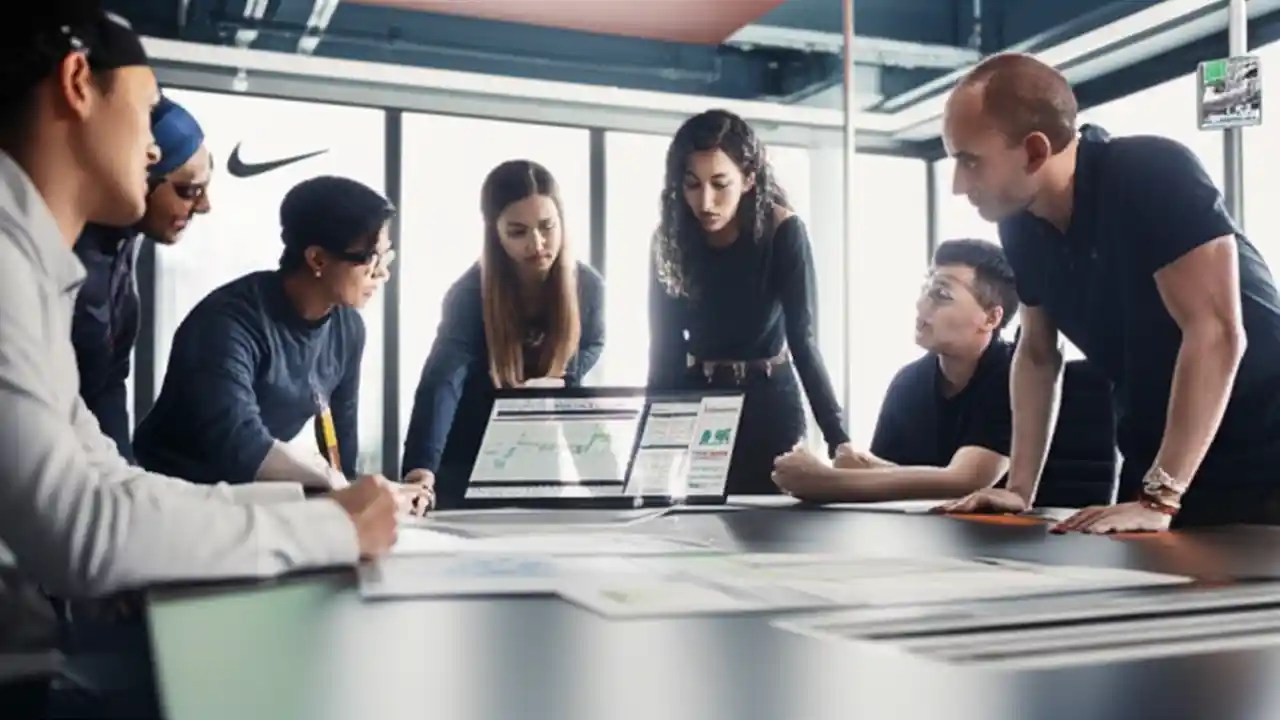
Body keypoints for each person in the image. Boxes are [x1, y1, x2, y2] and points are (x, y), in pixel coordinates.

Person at [0, 4, 401, 709]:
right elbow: (81, 526)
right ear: (76, 83)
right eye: (147, 109)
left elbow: (103, 474)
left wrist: (328, 506)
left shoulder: (38, 271)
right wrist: (329, 524)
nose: (153, 150)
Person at [936, 52, 1280, 532]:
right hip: (1157, 462)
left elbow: (1217, 333)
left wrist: (1161, 498)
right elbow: (1037, 354)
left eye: (970, 161)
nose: (958, 185)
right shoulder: (1021, 226)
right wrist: (1019, 488)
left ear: (1035, 152)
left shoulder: (1152, 173)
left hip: (1264, 457)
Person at [132, 175, 431, 509]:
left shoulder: (348, 329)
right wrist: (339, 485)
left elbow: (340, 458)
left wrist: (375, 493)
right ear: (317, 259)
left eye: (385, 257)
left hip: (248, 500)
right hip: (171, 501)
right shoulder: (228, 321)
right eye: (370, 259)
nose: (383, 274)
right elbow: (239, 442)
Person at [648, 109, 850, 495]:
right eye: (692, 185)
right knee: (700, 534)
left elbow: (803, 341)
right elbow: (664, 350)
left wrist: (838, 438)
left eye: (720, 184)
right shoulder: (669, 240)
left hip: (769, 400)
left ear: (749, 179)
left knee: (775, 536)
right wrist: (652, 445)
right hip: (699, 401)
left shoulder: (782, 231)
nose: (705, 201)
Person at [402, 159, 605, 508]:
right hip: (466, 463)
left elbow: (592, 345)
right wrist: (421, 471)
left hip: (538, 457)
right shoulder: (468, 295)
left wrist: (563, 373)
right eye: (518, 231)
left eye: (547, 226)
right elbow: (442, 382)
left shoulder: (587, 287)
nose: (537, 243)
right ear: (495, 234)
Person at [772, 239, 1018, 503]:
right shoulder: (909, 382)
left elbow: (967, 480)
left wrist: (822, 479)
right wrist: (862, 464)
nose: (922, 304)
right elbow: (886, 482)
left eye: (942, 295)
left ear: (991, 318)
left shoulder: (1014, 376)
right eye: (926, 288)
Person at [71, 94, 213, 463]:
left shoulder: (123, 244)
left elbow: (109, 382)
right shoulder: (63, 255)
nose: (204, 205)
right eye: (190, 189)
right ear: (142, 176)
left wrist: (125, 473)